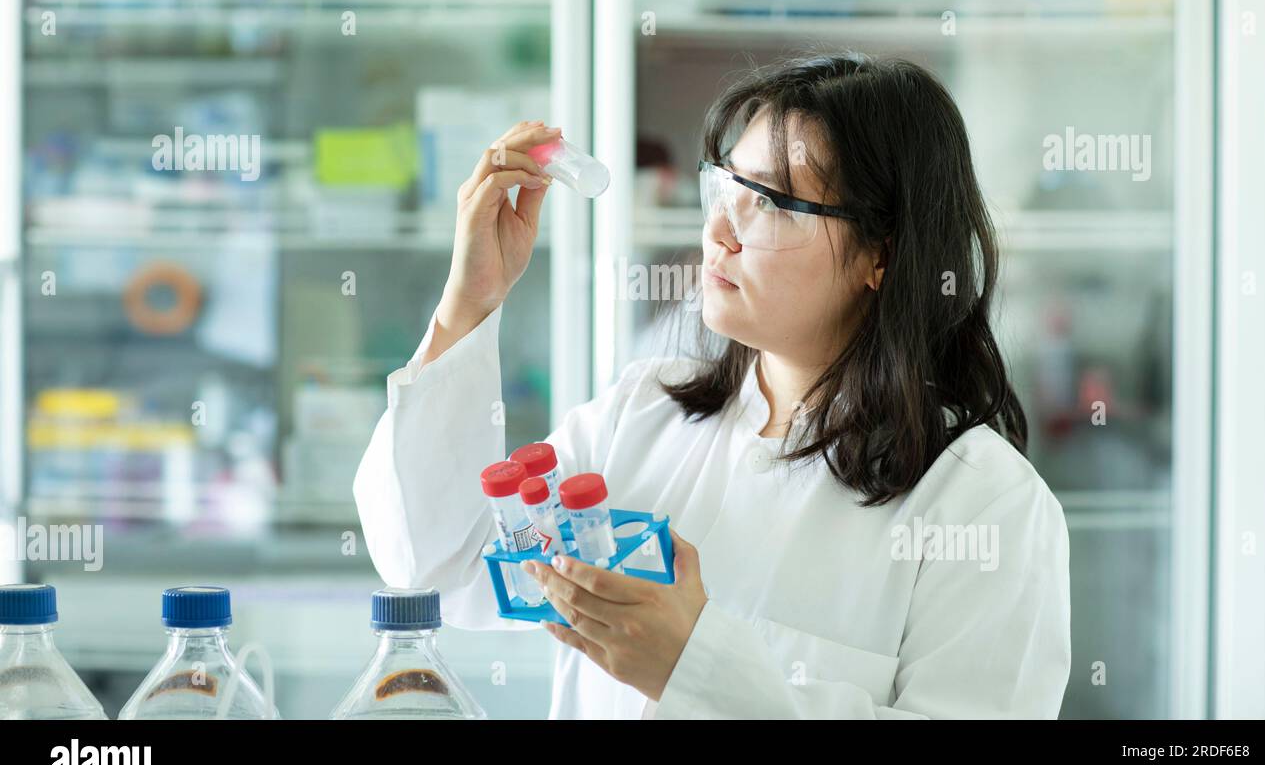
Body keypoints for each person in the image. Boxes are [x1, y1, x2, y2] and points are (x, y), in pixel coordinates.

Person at [353, 52, 1071, 719]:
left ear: (880, 257)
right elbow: (436, 560)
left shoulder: (984, 505)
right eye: (725, 185)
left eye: (775, 203)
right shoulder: (641, 413)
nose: (719, 231)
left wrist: (696, 667)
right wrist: (470, 301)